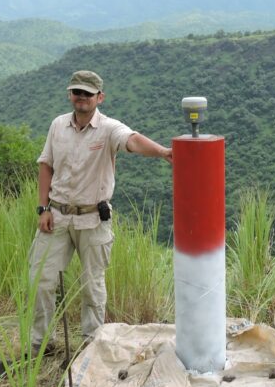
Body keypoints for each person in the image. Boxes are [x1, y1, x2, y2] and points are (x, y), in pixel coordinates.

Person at [28, 70, 173, 355]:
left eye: (87, 93)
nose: (81, 98)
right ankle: (39, 345)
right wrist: (43, 208)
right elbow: (45, 165)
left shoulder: (108, 128)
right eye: (76, 92)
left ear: (99, 97)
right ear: (70, 94)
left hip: (93, 219)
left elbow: (131, 140)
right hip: (56, 216)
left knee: (92, 285)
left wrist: (162, 152)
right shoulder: (58, 125)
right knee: (41, 280)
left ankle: (89, 348)